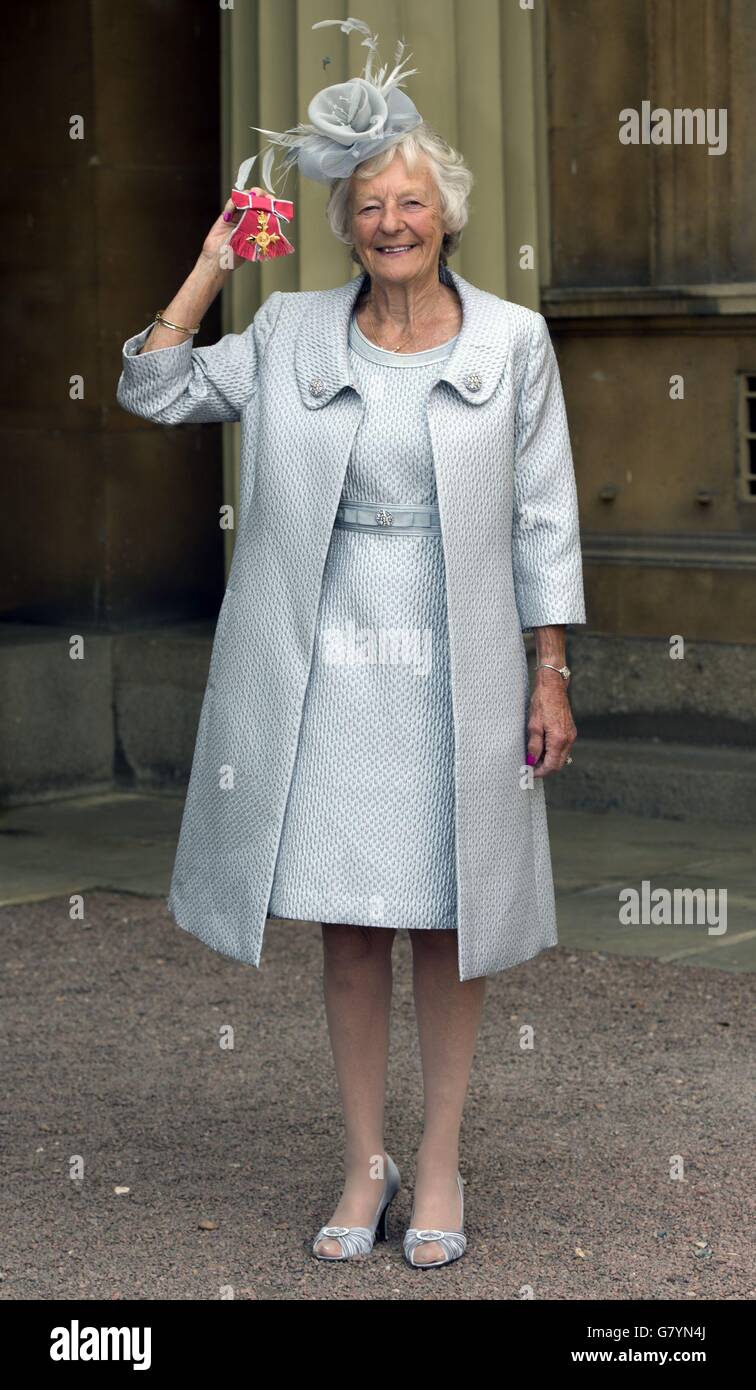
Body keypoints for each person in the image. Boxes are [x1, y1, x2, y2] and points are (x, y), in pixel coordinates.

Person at [116, 16, 586, 1271]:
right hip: (325, 667)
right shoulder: (284, 339)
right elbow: (153, 388)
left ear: (449, 216)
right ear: (345, 223)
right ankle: (363, 1158)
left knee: (448, 915)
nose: (392, 220)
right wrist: (214, 262)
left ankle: (438, 1160)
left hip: (464, 660)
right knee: (352, 923)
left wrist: (550, 667)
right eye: (371, 203)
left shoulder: (513, 343)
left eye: (413, 200)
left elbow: (544, 514)